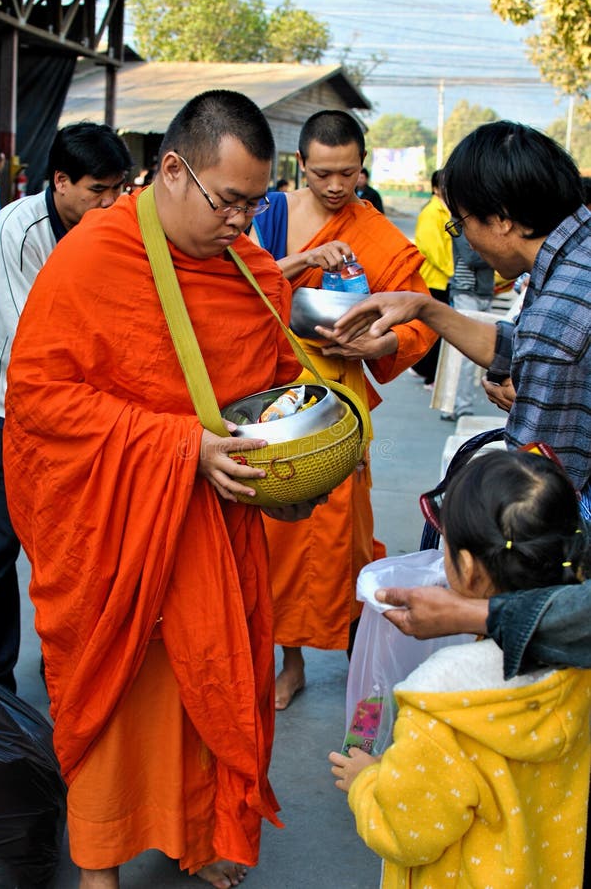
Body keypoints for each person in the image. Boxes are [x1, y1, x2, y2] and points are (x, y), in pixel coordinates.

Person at [3, 90, 320, 889]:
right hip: (115, 535)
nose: (244, 223)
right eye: (230, 200)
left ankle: (199, 833)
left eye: (258, 202)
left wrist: (306, 451)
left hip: (213, 534)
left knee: (206, 689)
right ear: (173, 170)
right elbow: (41, 401)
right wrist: (181, 446)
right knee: (120, 700)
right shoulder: (92, 260)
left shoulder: (251, 277)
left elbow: (276, 391)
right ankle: (101, 862)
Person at [330, 449, 591, 887]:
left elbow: (403, 832)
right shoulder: (579, 666)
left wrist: (366, 781)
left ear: (466, 568)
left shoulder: (440, 702)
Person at [249, 109, 436, 709]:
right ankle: (291, 659)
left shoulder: (375, 231)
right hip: (272, 394)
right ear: (300, 165)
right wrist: (304, 262)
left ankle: (363, 650)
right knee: (274, 533)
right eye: (323, 173)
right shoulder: (269, 214)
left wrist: (380, 344)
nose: (336, 186)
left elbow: (418, 315)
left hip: (338, 401)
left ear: (363, 167)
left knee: (342, 531)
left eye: (349, 173)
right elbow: (240, 287)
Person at [333, 121, 591, 503]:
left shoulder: (556, 318)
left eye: (461, 223)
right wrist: (424, 307)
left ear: (502, 218)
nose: (465, 239)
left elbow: (540, 492)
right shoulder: (572, 258)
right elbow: (521, 344)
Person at [0, 122, 132, 693]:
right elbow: (35, 343)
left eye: (119, 189)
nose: (110, 203)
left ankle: (68, 670)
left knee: (72, 555)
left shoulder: (115, 227)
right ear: (61, 182)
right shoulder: (15, 232)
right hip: (7, 410)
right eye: (99, 190)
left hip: (82, 416)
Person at [440, 231, 495, 421]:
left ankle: (458, 404)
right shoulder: (462, 225)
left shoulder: (488, 227)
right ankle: (458, 405)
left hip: (485, 292)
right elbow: (471, 257)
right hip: (465, 292)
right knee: (464, 355)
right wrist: (496, 251)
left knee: (476, 353)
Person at [410, 169, 453, 387]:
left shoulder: (446, 211)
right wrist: (452, 270)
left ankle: (424, 369)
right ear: (435, 188)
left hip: (443, 278)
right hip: (435, 279)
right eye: (444, 184)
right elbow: (432, 248)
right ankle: (428, 374)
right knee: (436, 330)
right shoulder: (432, 213)